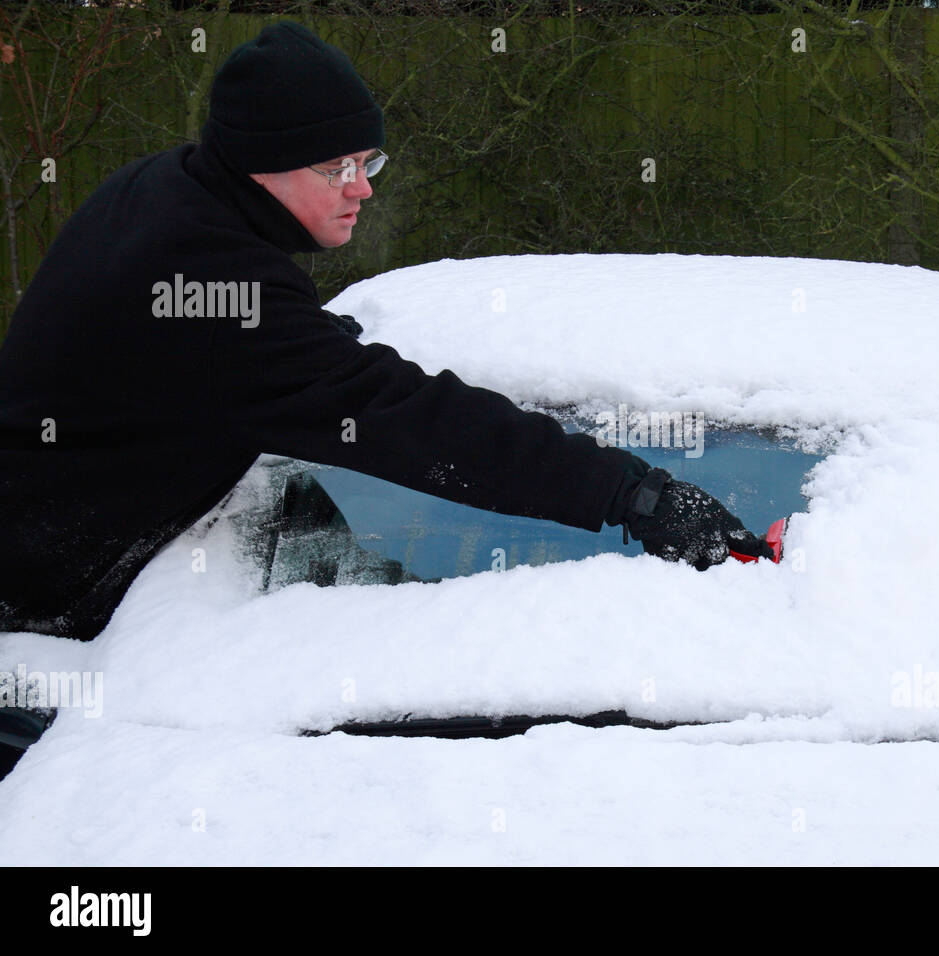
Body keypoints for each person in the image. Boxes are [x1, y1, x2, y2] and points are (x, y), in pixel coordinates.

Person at [0, 20, 771, 647]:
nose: (362, 186)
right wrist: (631, 493)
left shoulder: (170, 189)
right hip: (40, 607)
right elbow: (408, 418)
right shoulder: (214, 289)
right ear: (261, 168)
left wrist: (299, 340)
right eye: (336, 167)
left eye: (367, 160)